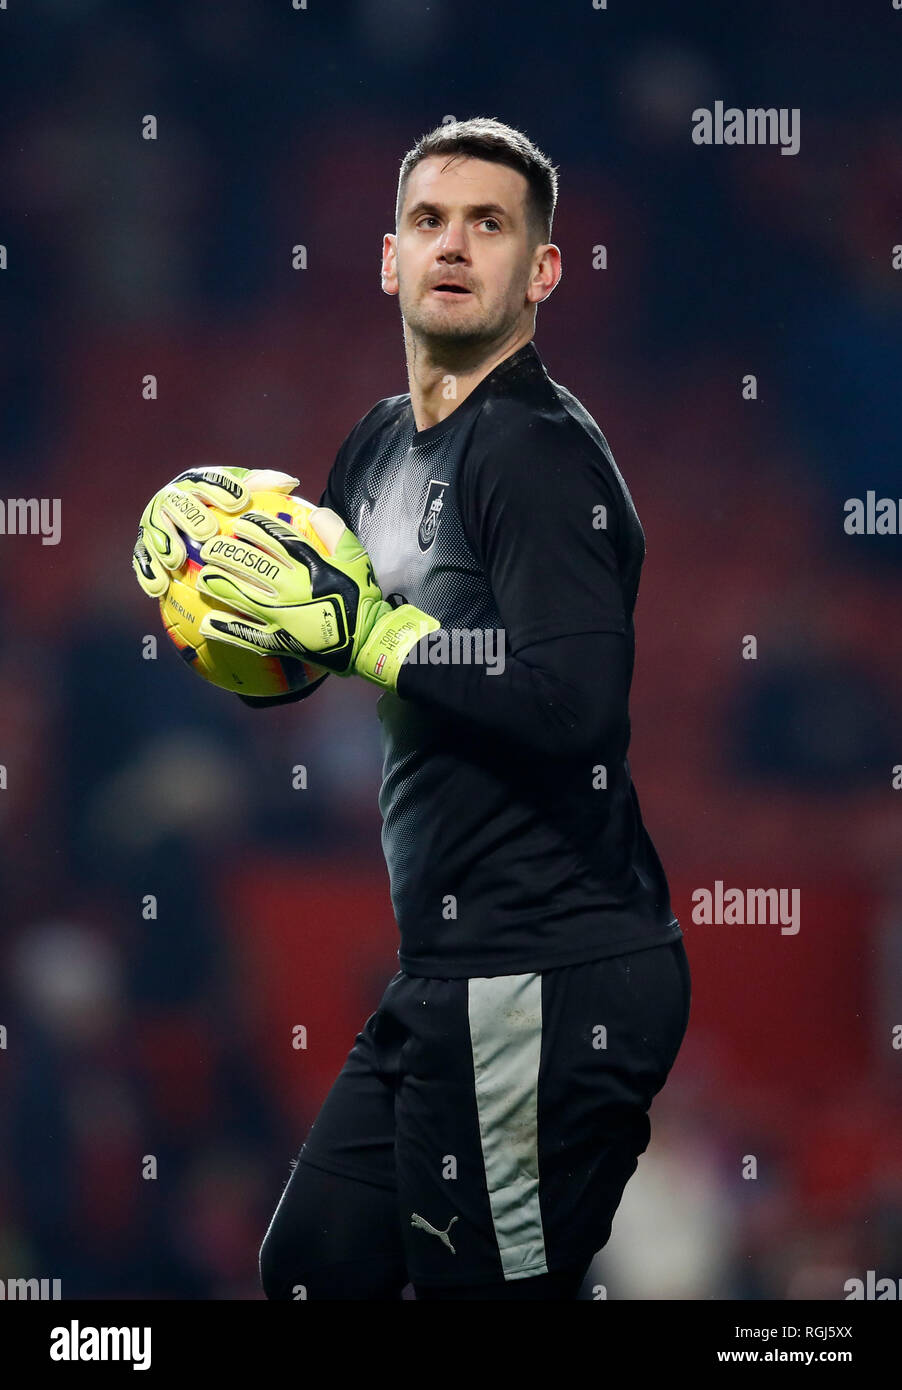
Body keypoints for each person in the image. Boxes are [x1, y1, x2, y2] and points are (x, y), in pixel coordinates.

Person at [132, 117, 691, 1301]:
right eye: (429, 220)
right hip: (452, 968)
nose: (452, 245)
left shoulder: (538, 455)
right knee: (311, 1267)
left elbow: (572, 701)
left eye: (489, 224)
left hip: (549, 968)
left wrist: (379, 637)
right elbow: (313, 652)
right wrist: (210, 611)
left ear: (539, 272)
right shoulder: (380, 446)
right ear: (388, 257)